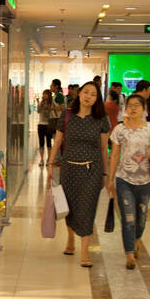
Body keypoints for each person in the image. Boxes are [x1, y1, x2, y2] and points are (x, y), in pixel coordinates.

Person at [48, 80, 110, 267]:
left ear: (97, 98)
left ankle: (84, 252)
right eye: (86, 92)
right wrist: (50, 164)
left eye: (93, 94)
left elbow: (103, 148)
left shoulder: (101, 120)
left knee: (87, 207)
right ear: (79, 93)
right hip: (69, 168)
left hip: (92, 170)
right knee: (70, 205)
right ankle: (70, 240)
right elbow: (57, 142)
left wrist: (105, 175)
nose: (89, 96)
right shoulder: (67, 116)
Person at [107, 93, 150, 269]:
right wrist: (110, 179)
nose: (132, 108)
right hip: (124, 179)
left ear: (143, 109)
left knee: (141, 219)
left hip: (144, 181)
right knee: (128, 218)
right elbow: (115, 154)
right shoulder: (119, 130)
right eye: (130, 105)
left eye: (137, 105)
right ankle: (129, 253)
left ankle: (137, 239)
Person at [37, 88, 57, 165]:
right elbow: (38, 111)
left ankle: (49, 159)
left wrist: (51, 108)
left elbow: (58, 109)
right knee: (41, 143)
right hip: (41, 124)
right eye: (43, 94)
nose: (44, 95)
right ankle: (41, 159)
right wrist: (39, 103)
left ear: (49, 95)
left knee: (49, 143)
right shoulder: (41, 102)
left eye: (46, 94)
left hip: (49, 125)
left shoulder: (52, 103)